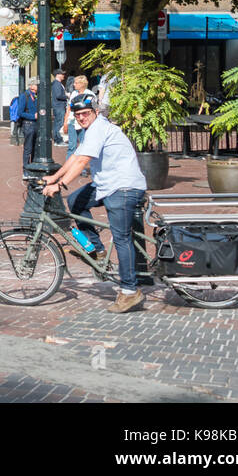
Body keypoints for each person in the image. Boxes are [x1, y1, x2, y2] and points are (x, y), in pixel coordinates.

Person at [44, 89, 152, 313]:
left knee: (121, 237)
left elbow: (83, 160)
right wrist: (53, 176)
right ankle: (96, 250)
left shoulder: (99, 128)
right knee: (75, 201)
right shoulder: (91, 131)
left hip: (123, 186)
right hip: (107, 184)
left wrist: (60, 185)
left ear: (94, 112)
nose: (82, 117)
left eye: (85, 113)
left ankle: (130, 292)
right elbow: (74, 156)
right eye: (78, 115)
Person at [61, 74, 90, 155]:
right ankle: (69, 167)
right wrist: (65, 123)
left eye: (76, 83)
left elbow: (94, 110)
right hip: (73, 122)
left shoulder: (89, 94)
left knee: (83, 146)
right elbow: (69, 109)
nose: (74, 84)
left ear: (81, 84)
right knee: (71, 146)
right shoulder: (73, 93)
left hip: (84, 123)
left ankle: (80, 167)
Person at [16, 77, 40, 173]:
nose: (38, 87)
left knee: (35, 147)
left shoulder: (38, 95)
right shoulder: (24, 96)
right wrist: (33, 116)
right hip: (28, 124)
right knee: (28, 148)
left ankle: (33, 166)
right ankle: (26, 169)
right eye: (37, 85)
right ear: (32, 86)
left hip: (36, 125)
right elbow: (20, 112)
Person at [51, 70, 69, 146]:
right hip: (59, 106)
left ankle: (57, 140)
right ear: (58, 75)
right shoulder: (57, 84)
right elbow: (58, 95)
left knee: (57, 123)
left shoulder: (57, 83)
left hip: (58, 106)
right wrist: (67, 96)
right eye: (62, 74)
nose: (63, 75)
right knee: (59, 123)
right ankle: (58, 140)